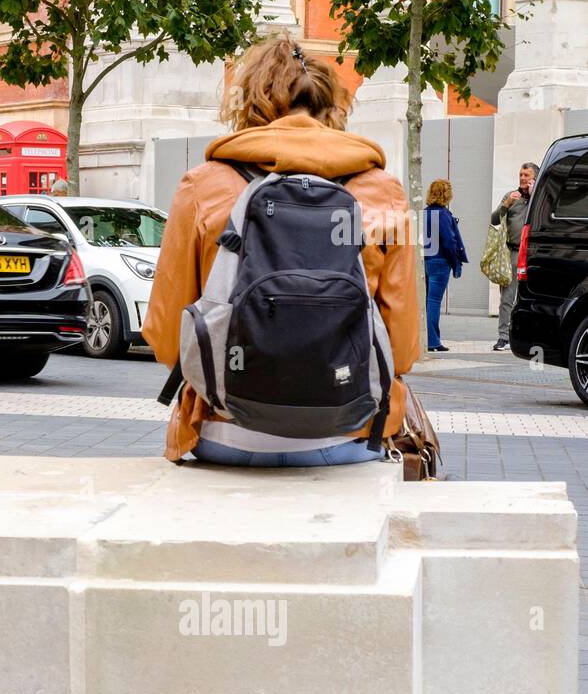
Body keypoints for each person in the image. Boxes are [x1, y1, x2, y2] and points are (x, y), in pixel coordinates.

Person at [143, 35, 419, 467]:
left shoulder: (203, 185)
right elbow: (402, 348)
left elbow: (164, 340)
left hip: (223, 433)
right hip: (348, 435)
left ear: (248, 102)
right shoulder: (384, 191)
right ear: (332, 106)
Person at [491, 162, 537, 351]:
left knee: (530, 298)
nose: (523, 178)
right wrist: (505, 205)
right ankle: (503, 337)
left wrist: (536, 195)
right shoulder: (512, 197)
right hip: (513, 253)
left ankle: (528, 337)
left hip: (533, 256)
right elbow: (494, 220)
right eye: (520, 175)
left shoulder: (541, 198)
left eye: (526, 175)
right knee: (507, 298)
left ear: (535, 177)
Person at [423, 179, 468, 352]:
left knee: (427, 302)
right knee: (434, 302)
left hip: (425, 261)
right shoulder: (443, 215)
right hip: (440, 261)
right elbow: (449, 241)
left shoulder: (424, 213)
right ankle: (433, 341)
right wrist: (455, 262)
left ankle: (426, 338)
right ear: (446, 194)